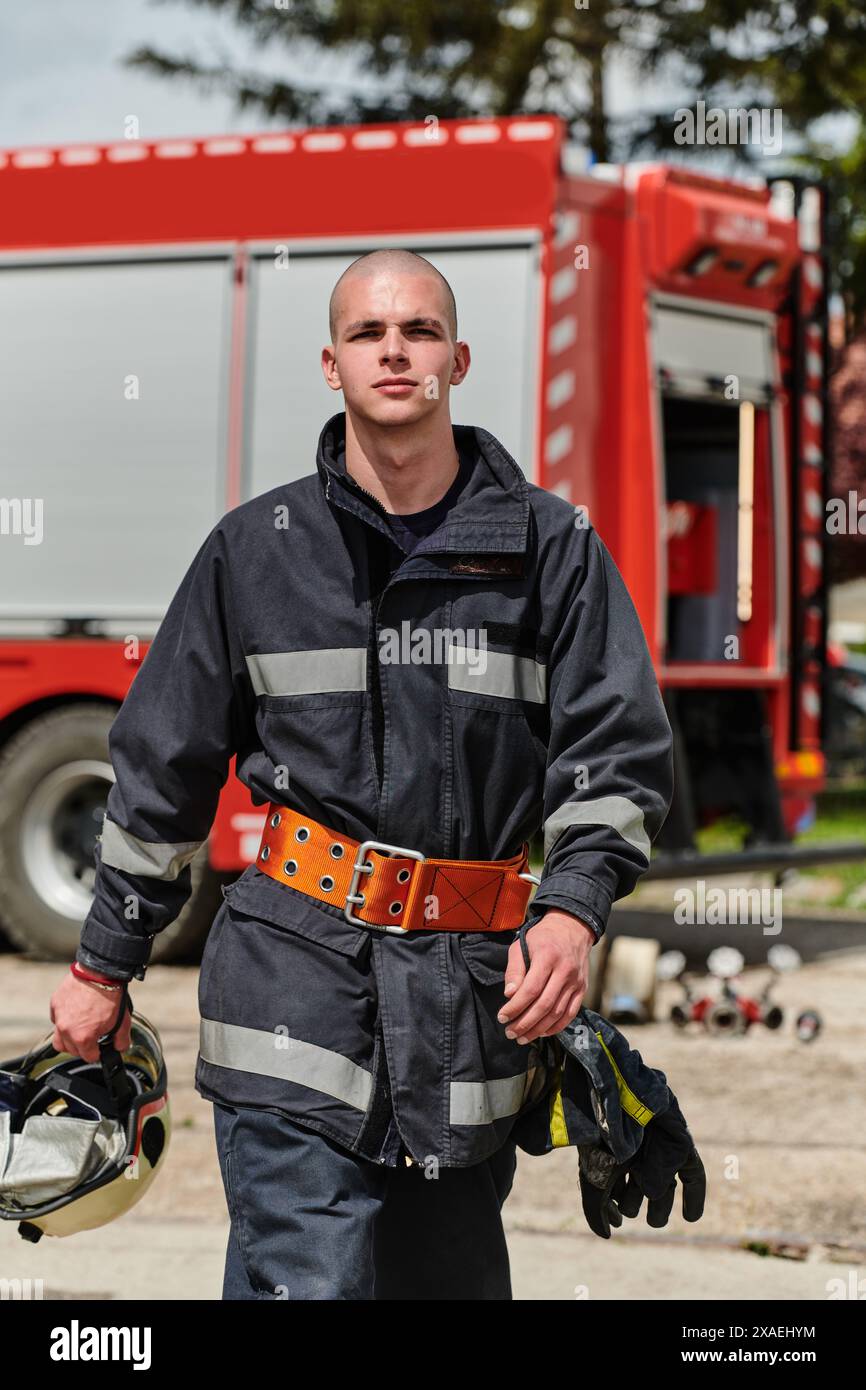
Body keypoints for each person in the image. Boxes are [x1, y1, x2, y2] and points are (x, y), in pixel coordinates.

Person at [50, 248, 674, 1299]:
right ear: (331, 365)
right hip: (292, 992)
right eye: (368, 333)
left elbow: (613, 754)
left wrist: (569, 912)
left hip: (469, 1017)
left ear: (457, 359)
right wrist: (103, 963)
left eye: (420, 331)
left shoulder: (551, 550)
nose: (395, 350)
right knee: (314, 1282)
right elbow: (162, 768)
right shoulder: (254, 551)